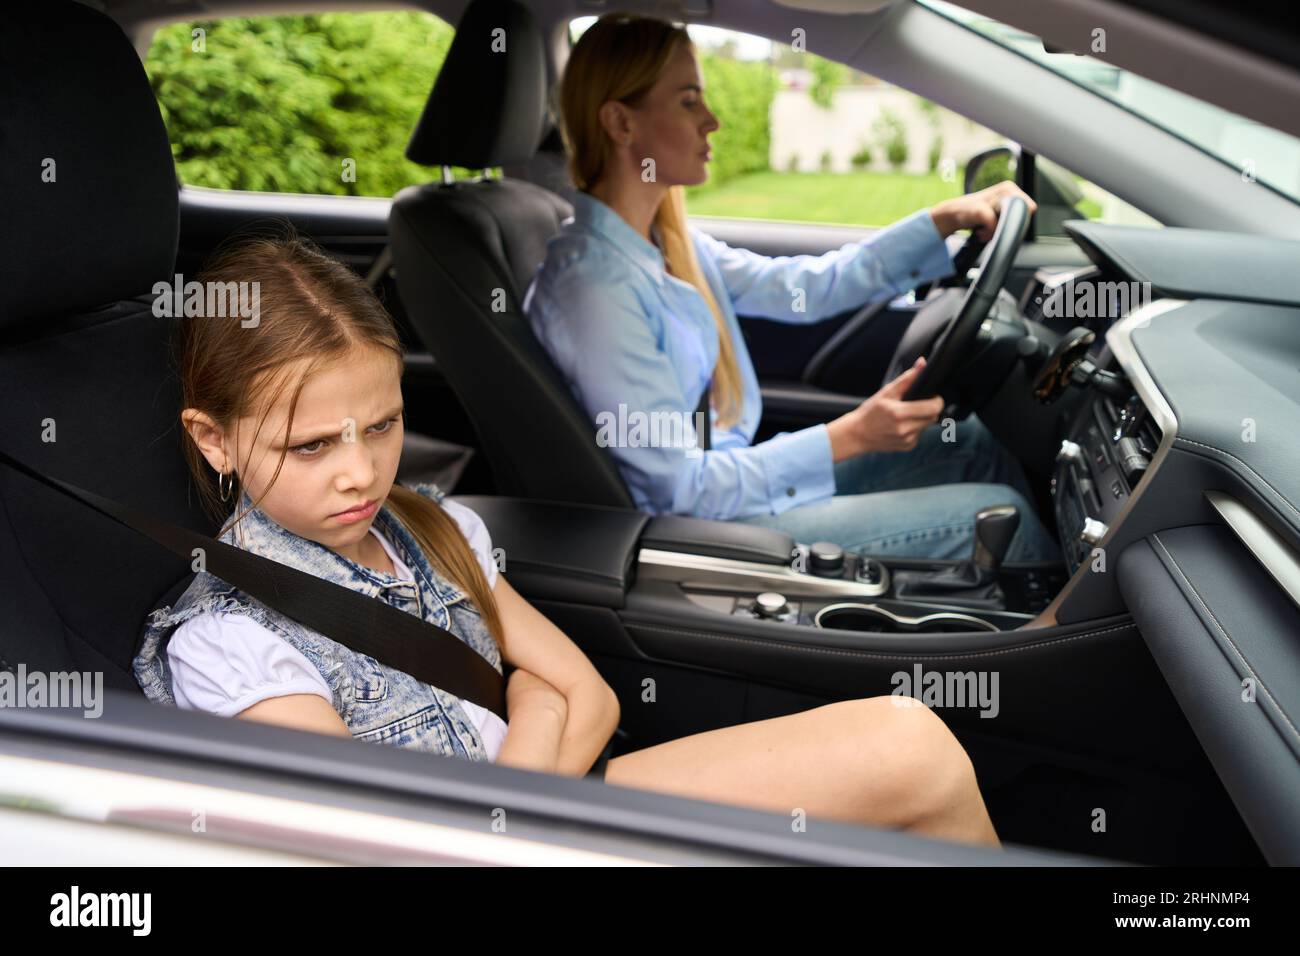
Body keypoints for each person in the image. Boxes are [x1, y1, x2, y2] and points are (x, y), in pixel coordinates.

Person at [132, 235, 1000, 846]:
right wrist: (534, 713)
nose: (361, 473)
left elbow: (591, 696)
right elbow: (381, 840)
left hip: (548, 812)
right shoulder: (231, 639)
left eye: (384, 425)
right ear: (214, 440)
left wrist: (535, 742)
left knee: (910, 741)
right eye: (312, 446)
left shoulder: (433, 527)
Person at [524, 12, 1060, 563]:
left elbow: (807, 287)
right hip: (699, 529)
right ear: (620, 123)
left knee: (969, 442)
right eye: (688, 101)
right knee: (1003, 516)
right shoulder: (593, 289)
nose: (712, 121)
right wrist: (850, 434)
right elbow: (679, 490)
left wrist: (941, 221)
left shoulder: (668, 245)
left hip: (732, 487)